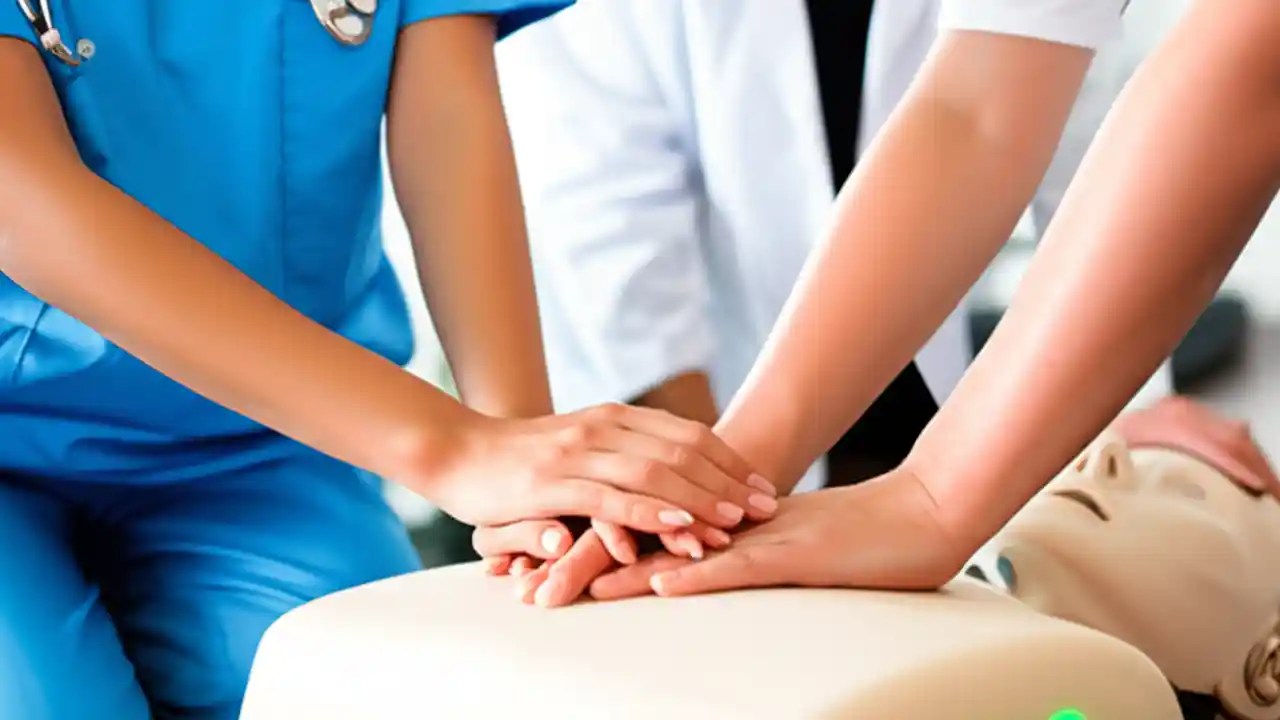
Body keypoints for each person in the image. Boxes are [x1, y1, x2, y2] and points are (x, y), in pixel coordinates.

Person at [0, 1, 772, 717]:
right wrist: (455, 448)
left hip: (262, 447)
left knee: (384, 687)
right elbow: (19, 191)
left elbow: (446, 115)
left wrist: (526, 470)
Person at [552, 0, 1280, 601]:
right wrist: (726, 482)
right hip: (725, 381)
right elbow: (981, 105)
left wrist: (939, 494)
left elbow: (1243, 63)